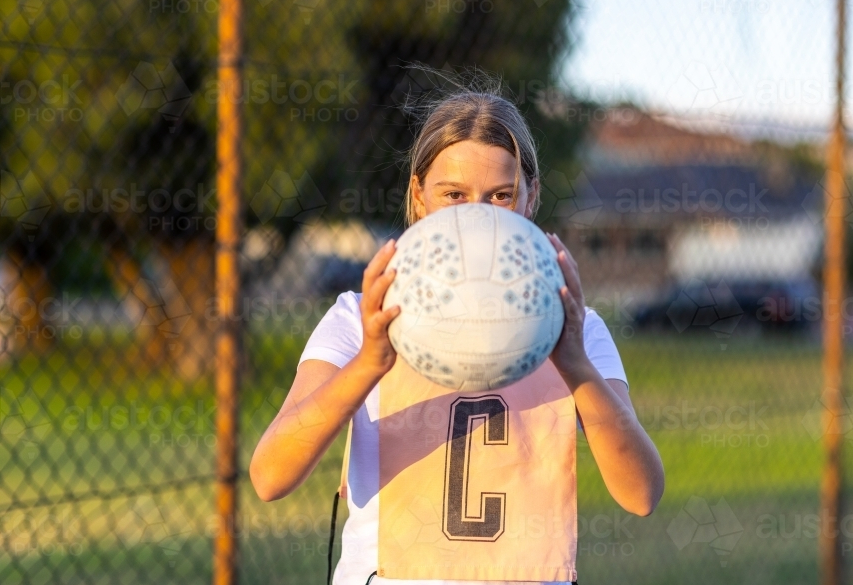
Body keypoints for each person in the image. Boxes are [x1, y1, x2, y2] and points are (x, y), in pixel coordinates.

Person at [249, 76, 664, 585]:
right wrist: (371, 362)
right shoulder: (360, 319)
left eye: (500, 195)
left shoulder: (577, 329)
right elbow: (270, 476)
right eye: (454, 194)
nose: (475, 216)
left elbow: (641, 493)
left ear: (530, 199)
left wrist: (573, 361)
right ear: (418, 196)